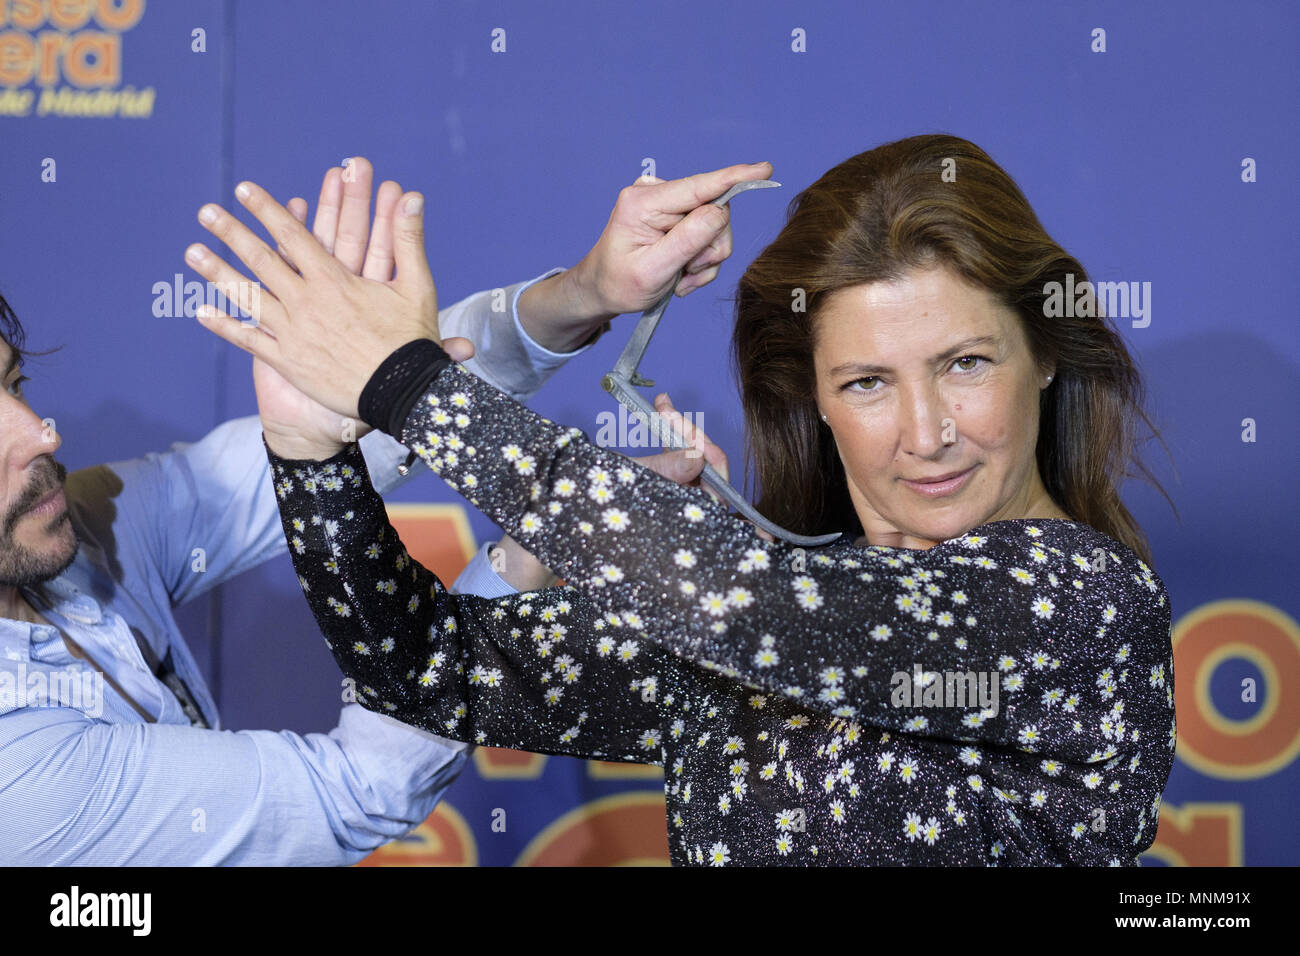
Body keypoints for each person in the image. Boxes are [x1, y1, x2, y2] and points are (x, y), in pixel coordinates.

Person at [188, 134, 1176, 865]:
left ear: (1044, 357)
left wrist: (406, 383)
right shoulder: (776, 618)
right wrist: (310, 450)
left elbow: (752, 613)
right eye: (868, 382)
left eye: (964, 362)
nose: (924, 431)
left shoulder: (1083, 600)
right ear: (816, 402)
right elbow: (430, 667)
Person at [0, 156, 750, 864]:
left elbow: (361, 404)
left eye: (16, 384)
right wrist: (546, 539)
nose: (41, 434)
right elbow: (358, 790)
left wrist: (581, 294)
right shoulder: (15, 774)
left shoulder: (71, 526)